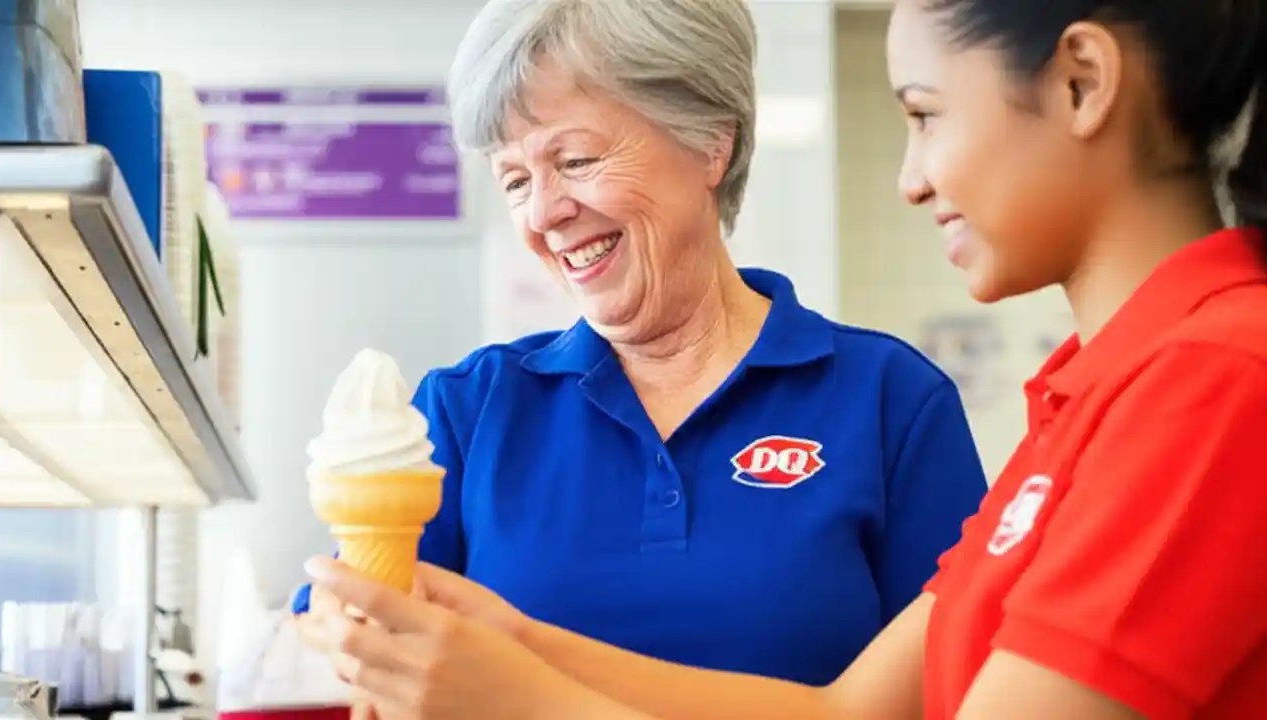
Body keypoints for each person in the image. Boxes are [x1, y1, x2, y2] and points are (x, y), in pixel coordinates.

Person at [301, 0, 1267, 718]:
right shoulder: (1089, 404)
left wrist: (525, 699)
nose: (910, 178)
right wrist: (507, 645)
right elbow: (843, 711)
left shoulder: (1209, 379)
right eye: (514, 178)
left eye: (925, 114)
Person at [295, 0, 987, 690]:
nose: (542, 213)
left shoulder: (889, 401)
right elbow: (343, 645)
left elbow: (957, 690)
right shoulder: (468, 411)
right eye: (515, 180)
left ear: (711, 142)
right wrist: (335, 633)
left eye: (575, 159)